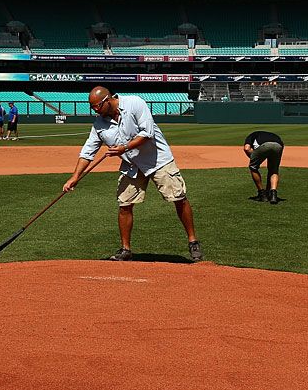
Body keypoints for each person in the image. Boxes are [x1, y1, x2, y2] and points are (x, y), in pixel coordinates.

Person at [63, 86, 204, 262]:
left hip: (158, 159)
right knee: (124, 204)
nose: (95, 111)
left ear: (107, 100)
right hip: (132, 164)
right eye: (92, 108)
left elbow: (147, 133)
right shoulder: (99, 123)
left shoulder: (134, 103)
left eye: (97, 106)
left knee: (178, 198)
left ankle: (193, 241)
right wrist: (75, 177)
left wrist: (124, 148)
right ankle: (125, 249)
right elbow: (87, 151)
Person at [243, 130, 284, 203]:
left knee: (253, 167)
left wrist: (254, 159)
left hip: (265, 145)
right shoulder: (272, 135)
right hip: (279, 145)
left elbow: (247, 148)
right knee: (274, 170)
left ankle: (262, 194)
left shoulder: (251, 135)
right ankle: (273, 195)